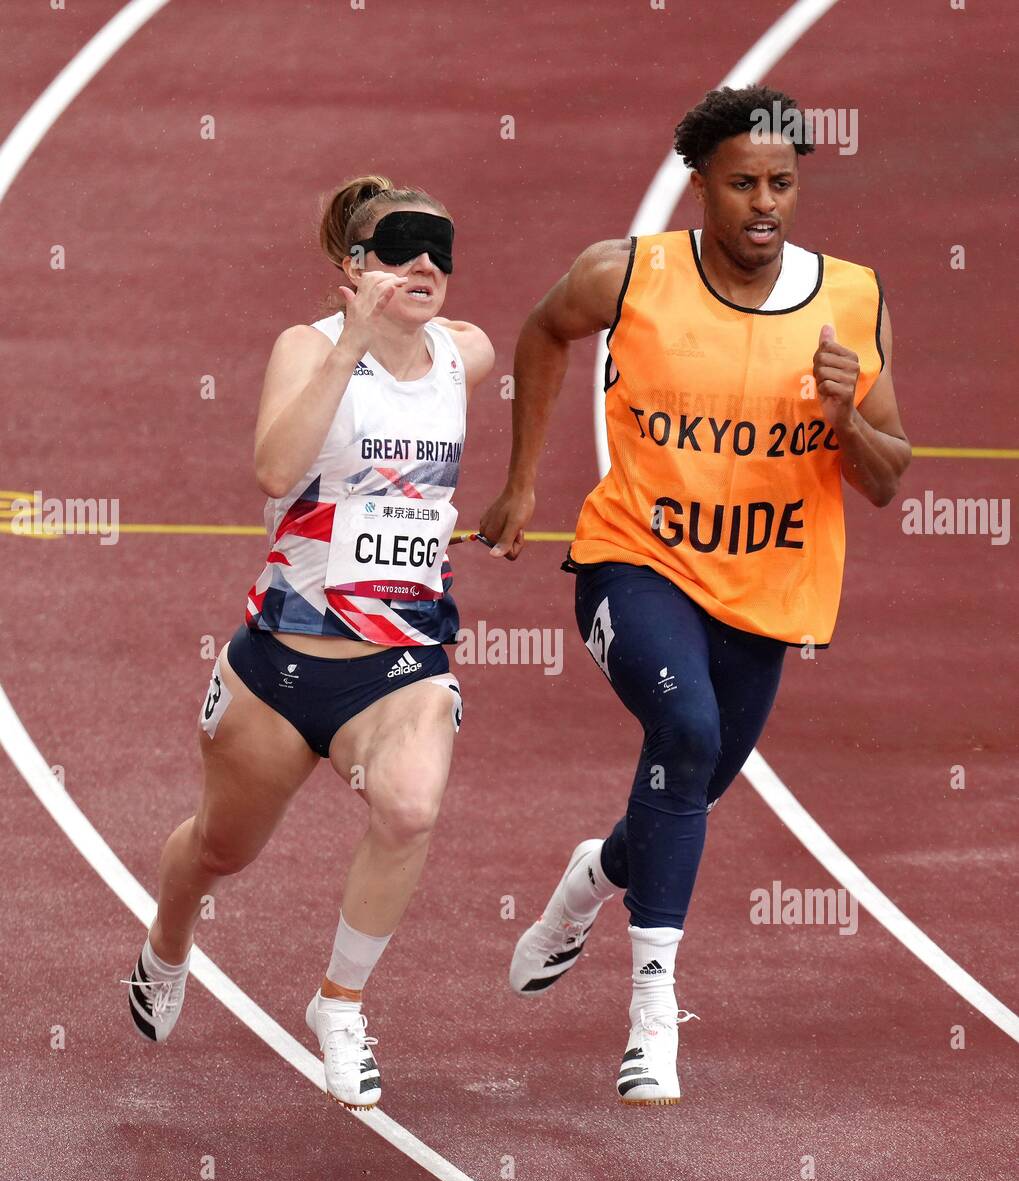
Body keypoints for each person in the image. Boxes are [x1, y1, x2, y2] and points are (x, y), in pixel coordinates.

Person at [479, 85, 911, 1106]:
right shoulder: (625, 274)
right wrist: (523, 481)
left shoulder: (849, 298)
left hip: (763, 593)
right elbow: (542, 333)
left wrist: (844, 415)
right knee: (681, 725)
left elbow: (888, 477)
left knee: (685, 785)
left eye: (782, 183)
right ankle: (651, 1014)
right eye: (742, 183)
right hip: (632, 559)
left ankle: (591, 879)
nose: (764, 203)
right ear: (698, 185)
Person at [124, 174, 494, 1110]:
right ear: (353, 266)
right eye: (401, 247)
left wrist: (521, 483)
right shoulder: (308, 348)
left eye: (439, 249)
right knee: (219, 850)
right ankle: (168, 943)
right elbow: (274, 467)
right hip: (283, 665)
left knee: (410, 808)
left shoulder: (463, 354)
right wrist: (353, 347)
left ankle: (339, 1003)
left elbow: (541, 343)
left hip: (401, 663)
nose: (424, 265)